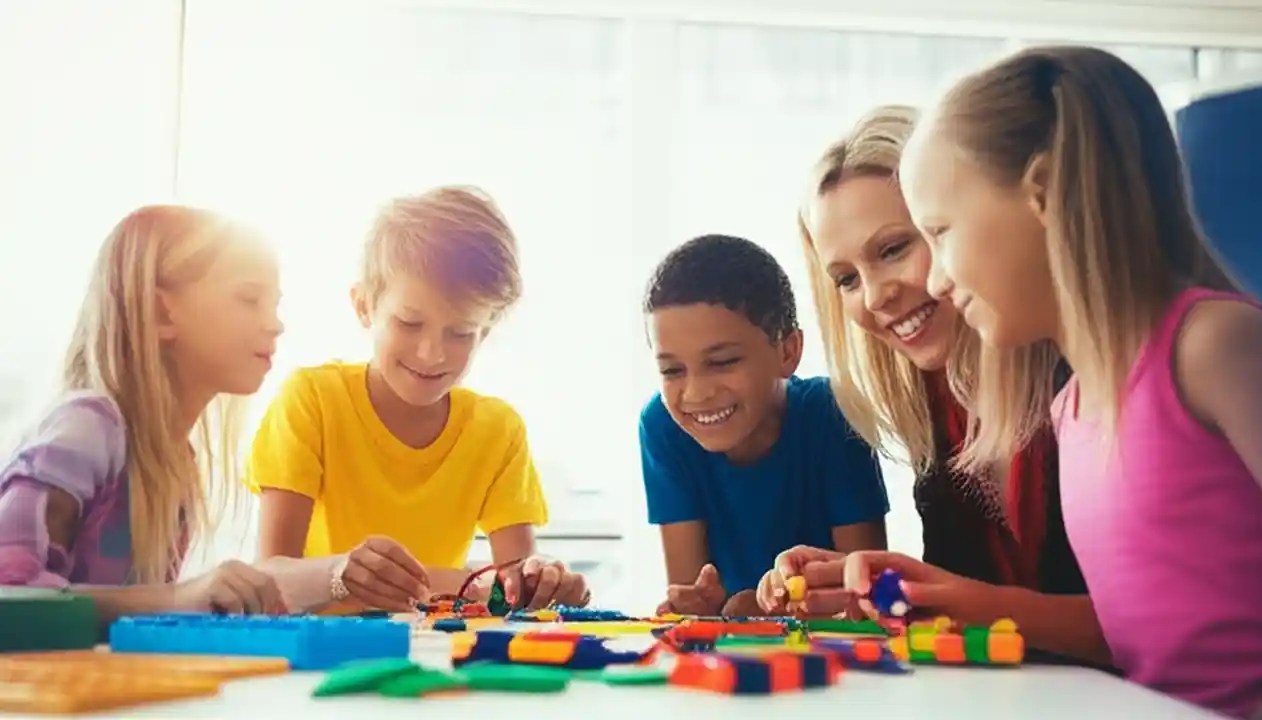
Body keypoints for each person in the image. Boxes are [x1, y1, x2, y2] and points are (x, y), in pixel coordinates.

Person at [887, 46, 1262, 719]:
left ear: (1042, 193)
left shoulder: (1214, 347)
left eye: (941, 231)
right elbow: (1149, 627)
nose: (934, 280)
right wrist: (957, 600)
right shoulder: (1070, 409)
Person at [757, 106, 1087, 629]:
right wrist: (878, 591)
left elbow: (1149, 623)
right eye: (845, 279)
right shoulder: (936, 403)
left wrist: (950, 598)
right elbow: (976, 604)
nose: (876, 294)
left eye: (893, 248)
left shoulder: (1084, 372)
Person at [246, 186, 589, 611]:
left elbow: (510, 593)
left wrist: (545, 584)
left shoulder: (498, 430)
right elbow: (269, 578)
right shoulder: (313, 400)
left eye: (461, 332)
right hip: (319, 647)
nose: (432, 354)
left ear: (486, 328)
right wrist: (463, 582)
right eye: (409, 323)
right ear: (364, 306)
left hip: (437, 647)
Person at [0, 205, 292, 620]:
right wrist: (178, 598)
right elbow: (9, 591)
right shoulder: (86, 429)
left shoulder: (176, 464)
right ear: (160, 312)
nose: (276, 324)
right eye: (250, 298)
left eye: (275, 304)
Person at [640, 234, 888, 616]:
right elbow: (692, 602)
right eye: (672, 370)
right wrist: (701, 605)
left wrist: (747, 606)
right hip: (732, 655)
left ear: (787, 352)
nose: (696, 393)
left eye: (722, 362)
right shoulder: (662, 427)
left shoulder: (833, 413)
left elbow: (864, 596)